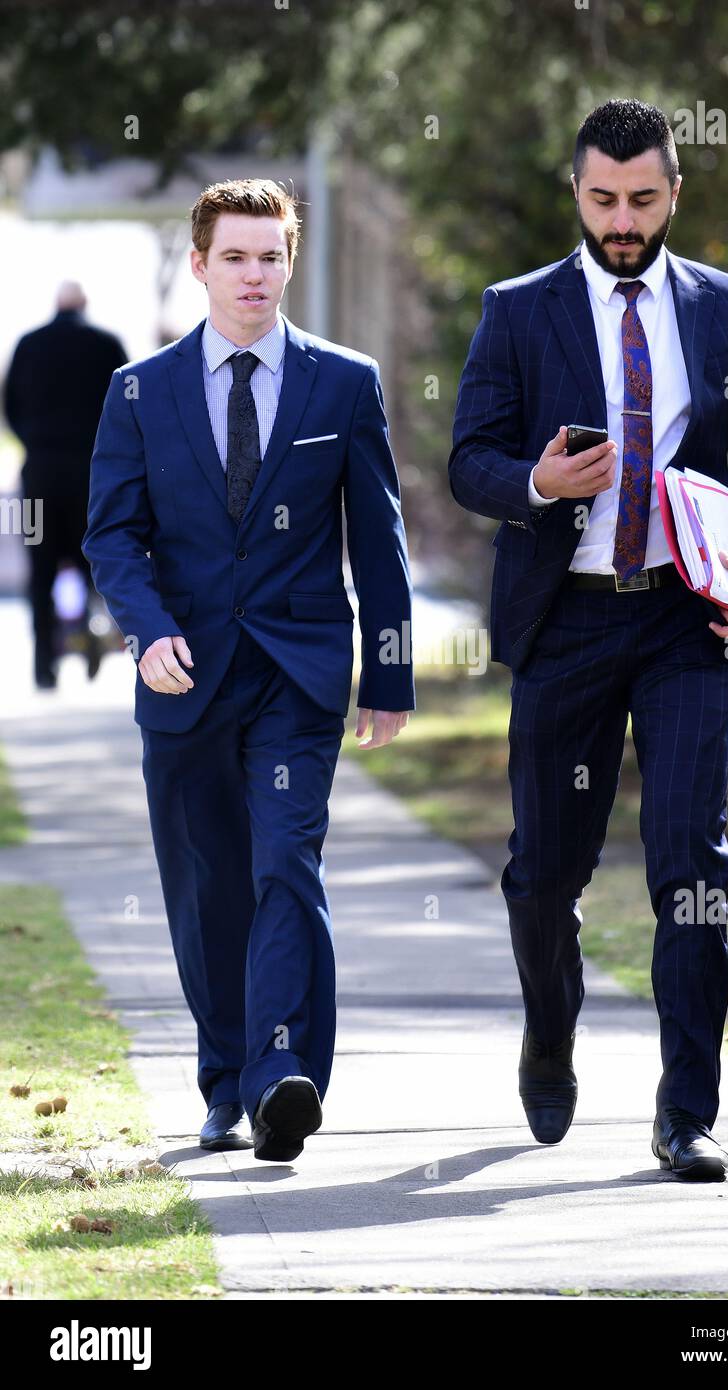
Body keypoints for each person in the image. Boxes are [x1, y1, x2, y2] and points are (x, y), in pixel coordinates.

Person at [449, 99, 728, 1180]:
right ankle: (548, 1033)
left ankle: (684, 1111)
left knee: (689, 861)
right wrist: (537, 483)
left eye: (641, 199)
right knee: (540, 877)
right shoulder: (518, 312)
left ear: (673, 193)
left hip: (686, 618)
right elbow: (469, 458)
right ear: (575, 192)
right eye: (601, 199)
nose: (621, 219)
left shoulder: (727, 309)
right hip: (567, 618)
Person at [83, 178, 414, 1161]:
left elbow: (380, 539)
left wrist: (387, 676)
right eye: (234, 256)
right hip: (182, 678)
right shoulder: (138, 391)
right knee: (205, 886)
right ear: (199, 265)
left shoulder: (342, 384)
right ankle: (225, 1075)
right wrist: (147, 633)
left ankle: (280, 1076)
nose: (254, 274)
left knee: (285, 866)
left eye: (271, 255)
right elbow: (111, 537)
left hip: (295, 673)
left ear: (290, 261)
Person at [4, 280, 127, 687]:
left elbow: (9, 407)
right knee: (95, 561)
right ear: (85, 305)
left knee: (39, 570)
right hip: (91, 480)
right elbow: (126, 408)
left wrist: (35, 444)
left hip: (36, 478)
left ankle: (43, 665)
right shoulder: (106, 345)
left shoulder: (27, 345)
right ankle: (92, 634)